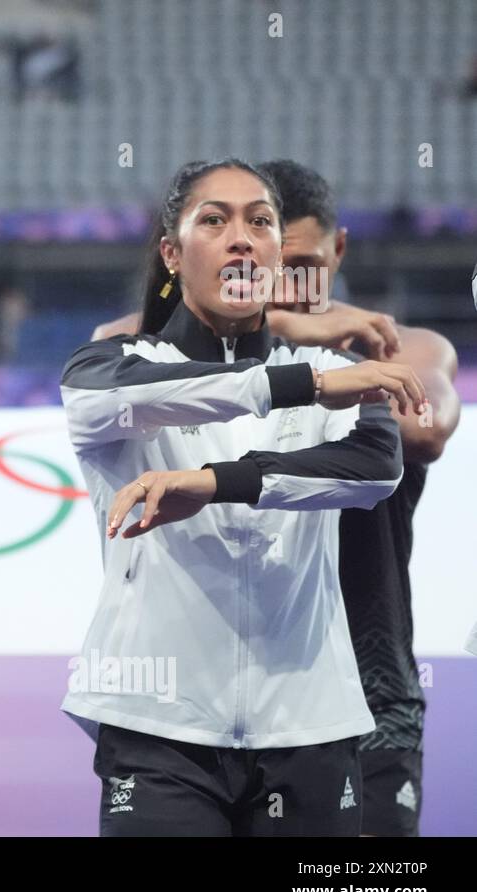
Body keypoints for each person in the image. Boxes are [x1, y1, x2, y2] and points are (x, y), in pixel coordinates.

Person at [59, 158, 426, 836]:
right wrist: (293, 386)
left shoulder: (341, 376)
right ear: (171, 253)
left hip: (310, 724)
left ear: (279, 255)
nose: (241, 237)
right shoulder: (111, 368)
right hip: (157, 724)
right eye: (214, 220)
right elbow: (104, 403)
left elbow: (374, 465)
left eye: (260, 222)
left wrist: (213, 483)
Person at [259, 159, 461, 836]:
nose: (285, 289)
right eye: (266, 267)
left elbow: (423, 429)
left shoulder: (407, 344)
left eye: (304, 266)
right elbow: (110, 352)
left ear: (338, 250)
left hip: (372, 697)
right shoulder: (207, 358)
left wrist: (323, 350)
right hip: (242, 700)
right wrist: (273, 332)